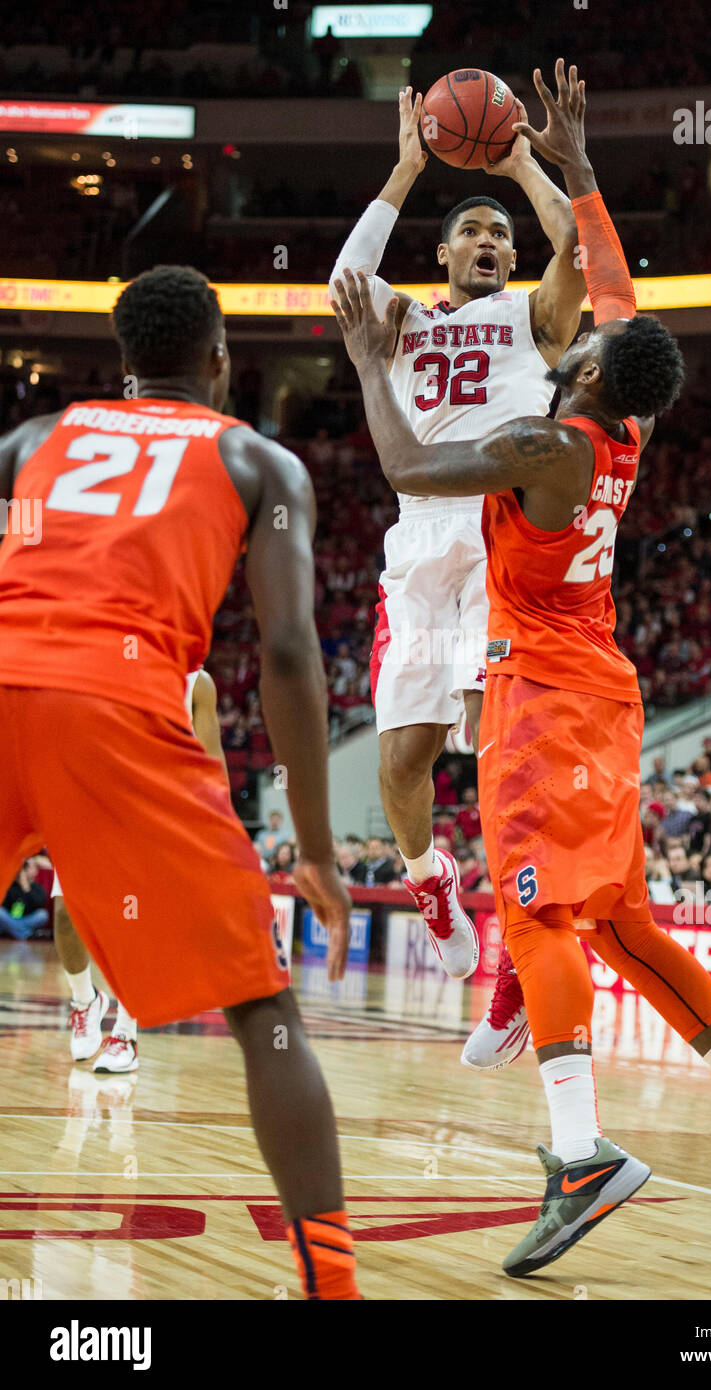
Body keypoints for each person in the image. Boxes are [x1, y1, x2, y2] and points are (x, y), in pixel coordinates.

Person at [331, 61, 711, 1276]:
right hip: (602, 688)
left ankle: (581, 1154)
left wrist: (362, 360)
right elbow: (612, 293)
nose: (589, 335)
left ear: (598, 374)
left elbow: (405, 468)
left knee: (540, 914)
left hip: (542, 697)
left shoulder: (541, 445)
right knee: (625, 926)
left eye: (598, 344)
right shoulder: (624, 422)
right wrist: (580, 172)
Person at [0, 266, 357, 1301]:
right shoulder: (256, 459)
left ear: (122, 366)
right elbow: (288, 653)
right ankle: (331, 1288)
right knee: (264, 1009)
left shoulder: (30, 442)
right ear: (220, 360)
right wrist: (318, 850)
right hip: (112, 700)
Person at [329, 74, 588, 1065]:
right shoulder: (403, 321)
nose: (490, 241)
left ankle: (519, 955)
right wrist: (404, 165)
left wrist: (523, 158)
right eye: (472, 231)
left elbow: (576, 249)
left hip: (502, 535)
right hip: (418, 533)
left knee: (491, 745)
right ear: (441, 253)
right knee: (403, 759)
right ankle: (427, 873)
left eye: (499, 234)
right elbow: (342, 286)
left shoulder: (535, 316)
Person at [54, 667, 224, 1075]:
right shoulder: (92, 666)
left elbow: (211, 763)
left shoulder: (195, 684)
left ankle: (125, 1033)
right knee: (64, 914)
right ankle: (86, 1001)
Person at [1, 858, 48, 940]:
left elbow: (39, 903)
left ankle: (15, 931)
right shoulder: (10, 885)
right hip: (11, 918)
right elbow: (3, 904)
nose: (24, 870)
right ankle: (23, 933)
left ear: (36, 871)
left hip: (27, 919)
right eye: (23, 867)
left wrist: (26, 888)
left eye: (27, 867)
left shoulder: (37, 887)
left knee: (43, 914)